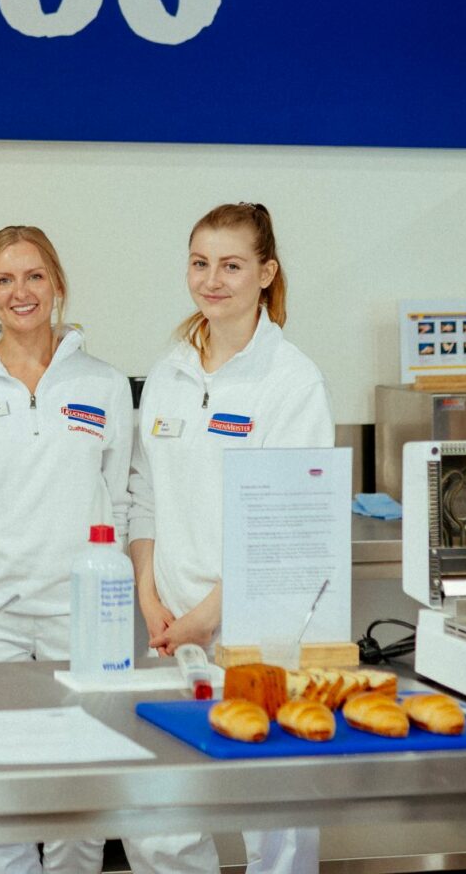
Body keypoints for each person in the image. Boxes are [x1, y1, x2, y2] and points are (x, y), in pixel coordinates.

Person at [128, 202, 335, 874]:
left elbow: (285, 527)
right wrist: (150, 596)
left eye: (231, 265)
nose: (211, 280)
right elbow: (146, 493)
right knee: (159, 811)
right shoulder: (169, 372)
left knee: (271, 810)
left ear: (266, 273)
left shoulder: (290, 379)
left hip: (262, 624)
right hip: (171, 620)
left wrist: (206, 619)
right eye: (200, 262)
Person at [0, 225, 132, 874]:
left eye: (35, 276)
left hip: (84, 615)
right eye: (5, 279)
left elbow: (121, 500)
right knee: (1, 791)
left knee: (84, 784)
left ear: (58, 286)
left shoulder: (104, 384)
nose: (21, 291)